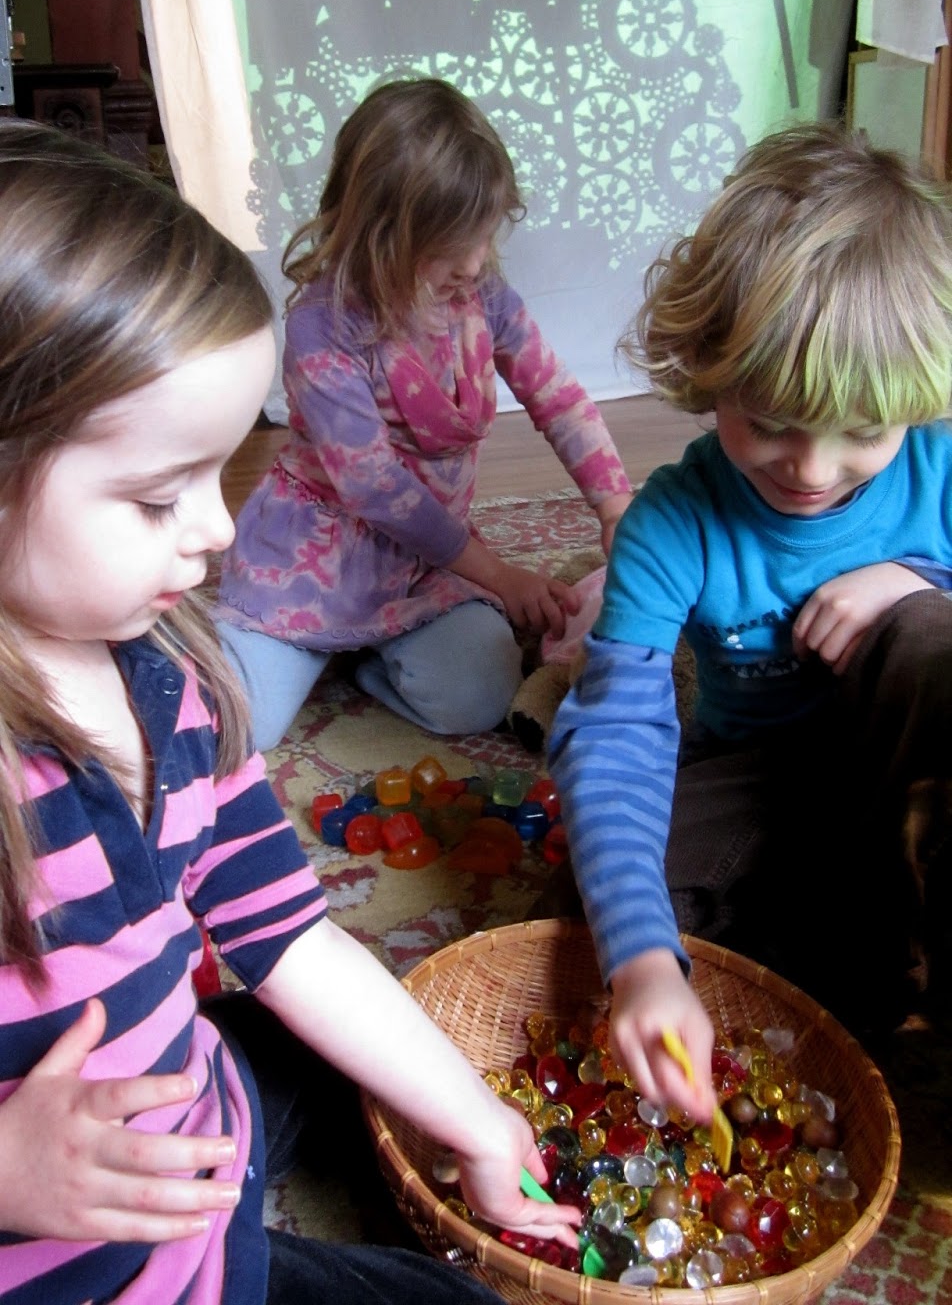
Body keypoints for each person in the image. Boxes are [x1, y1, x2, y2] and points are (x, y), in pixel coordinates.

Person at [0, 122, 581, 1305]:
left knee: (333, 1072)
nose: (219, 529)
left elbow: (287, 935)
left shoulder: (167, 680)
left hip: (205, 1195)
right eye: (161, 496)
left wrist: (474, 1121)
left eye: (218, 475)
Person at [548, 122, 952, 1122]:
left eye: (862, 431)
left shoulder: (940, 469)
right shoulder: (669, 524)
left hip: (915, 769)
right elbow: (615, 737)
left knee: (929, 641)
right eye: (767, 417)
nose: (810, 471)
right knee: (591, 914)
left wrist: (908, 578)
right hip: (763, 781)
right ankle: (856, 931)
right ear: (708, 369)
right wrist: (642, 958)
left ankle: (883, 938)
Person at [216, 78, 633, 751]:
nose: (473, 264)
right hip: (314, 563)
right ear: (381, 236)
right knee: (241, 729)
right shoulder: (324, 325)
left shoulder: (484, 296)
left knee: (480, 695)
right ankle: (304, 646)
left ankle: (367, 660)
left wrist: (613, 505)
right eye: (450, 246)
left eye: (483, 238)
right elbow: (375, 487)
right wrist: (501, 577)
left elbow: (555, 394)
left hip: (424, 565)